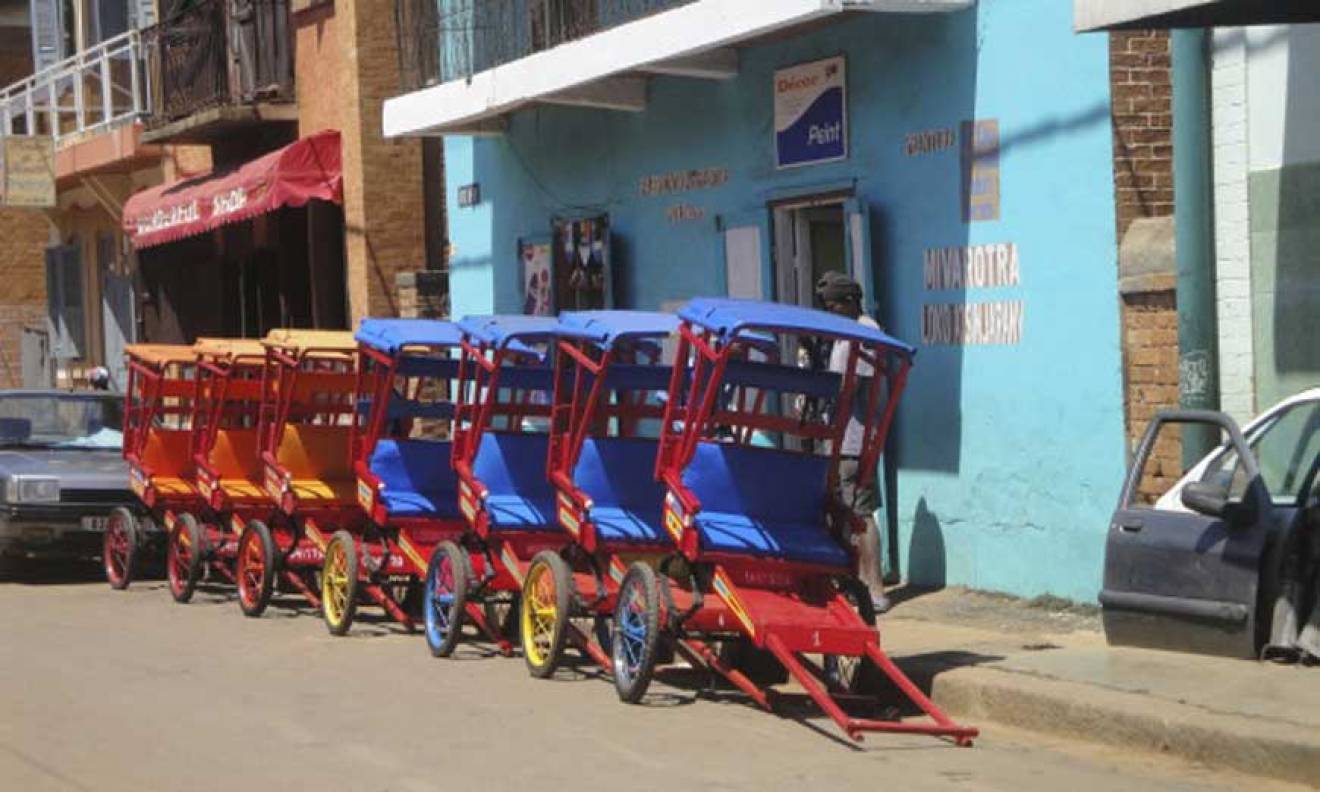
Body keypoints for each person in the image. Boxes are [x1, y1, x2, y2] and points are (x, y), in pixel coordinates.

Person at [814, 271, 890, 613]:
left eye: (833, 305)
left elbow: (853, 387)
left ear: (849, 302)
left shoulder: (865, 333)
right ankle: (856, 584)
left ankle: (874, 590)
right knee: (845, 513)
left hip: (855, 442)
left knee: (860, 513)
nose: (831, 312)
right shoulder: (847, 334)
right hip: (843, 438)